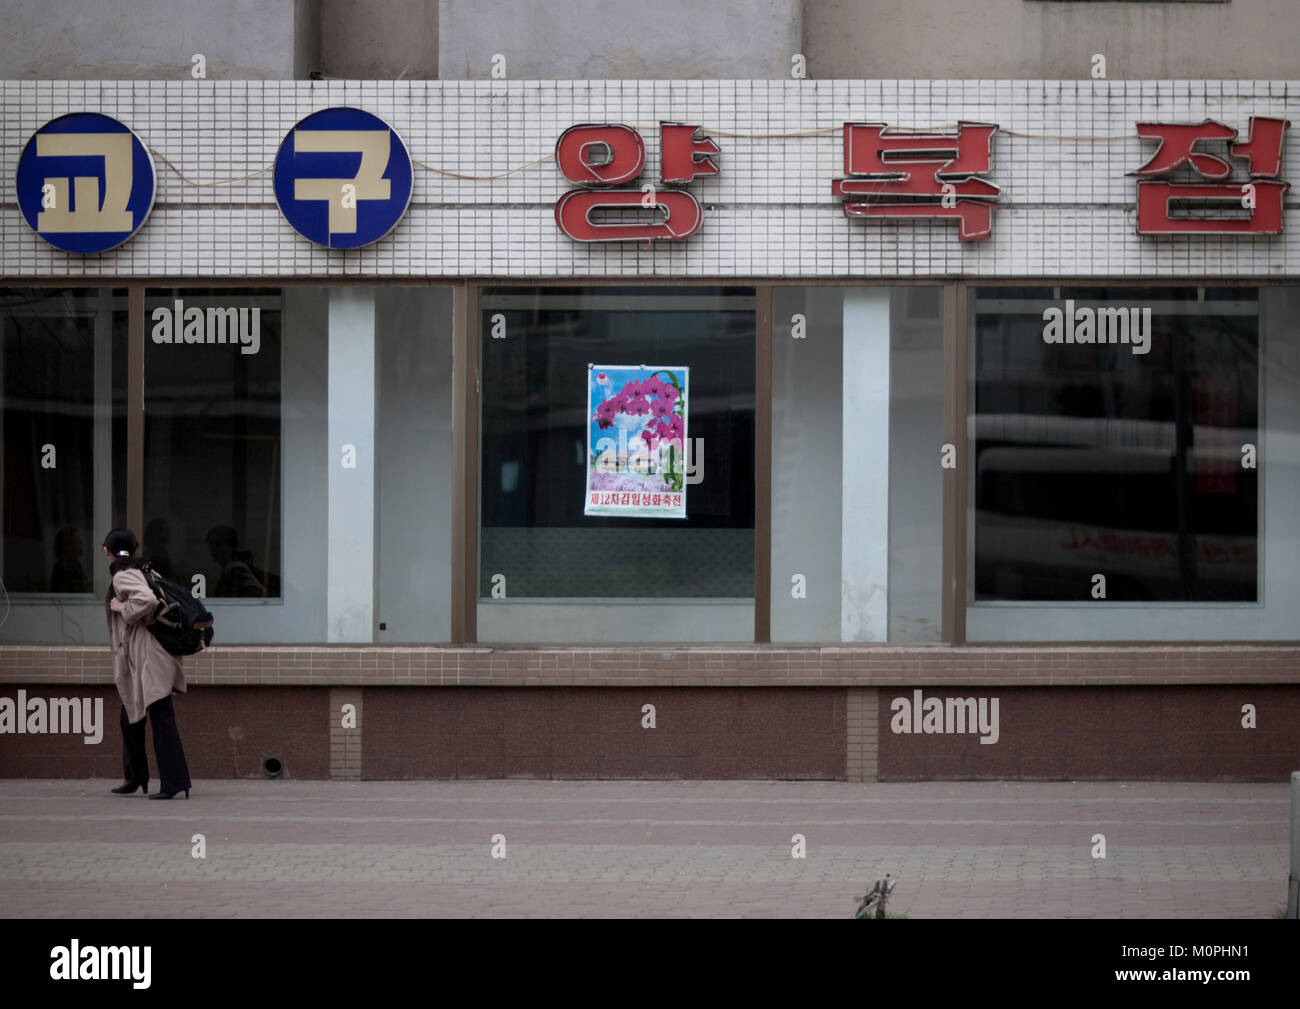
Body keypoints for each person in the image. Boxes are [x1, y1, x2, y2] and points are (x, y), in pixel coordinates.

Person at [103, 528, 193, 800]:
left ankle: (175, 782)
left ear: (108, 550)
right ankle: (135, 776)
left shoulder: (123, 574)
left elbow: (147, 600)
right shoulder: (142, 569)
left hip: (149, 655)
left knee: (160, 715)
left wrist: (123, 609)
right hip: (148, 653)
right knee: (130, 714)